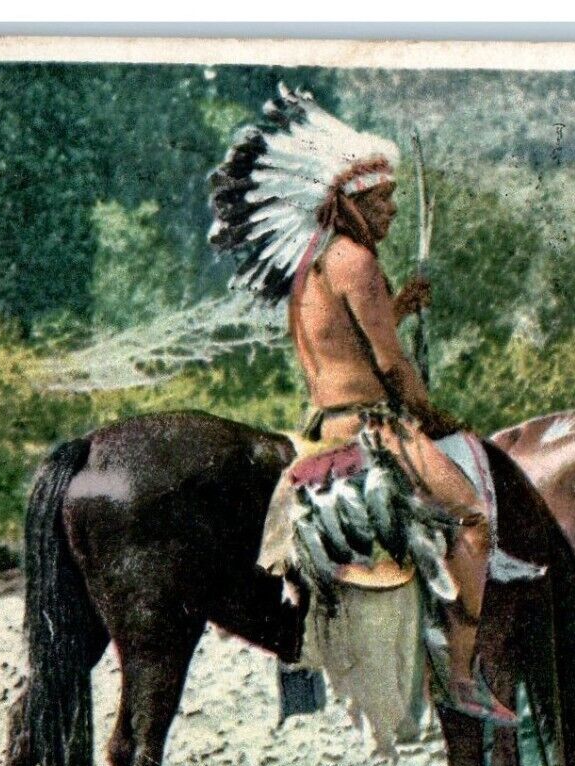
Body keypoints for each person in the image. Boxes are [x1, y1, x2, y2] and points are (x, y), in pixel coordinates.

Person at [210, 87, 514, 722]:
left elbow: (342, 337)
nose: (393, 211)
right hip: (370, 428)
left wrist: (399, 307)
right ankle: (460, 672)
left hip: (322, 421)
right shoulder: (358, 260)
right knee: (473, 518)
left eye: (394, 198)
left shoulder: (312, 266)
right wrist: (433, 414)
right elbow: (388, 363)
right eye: (382, 200)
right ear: (348, 204)